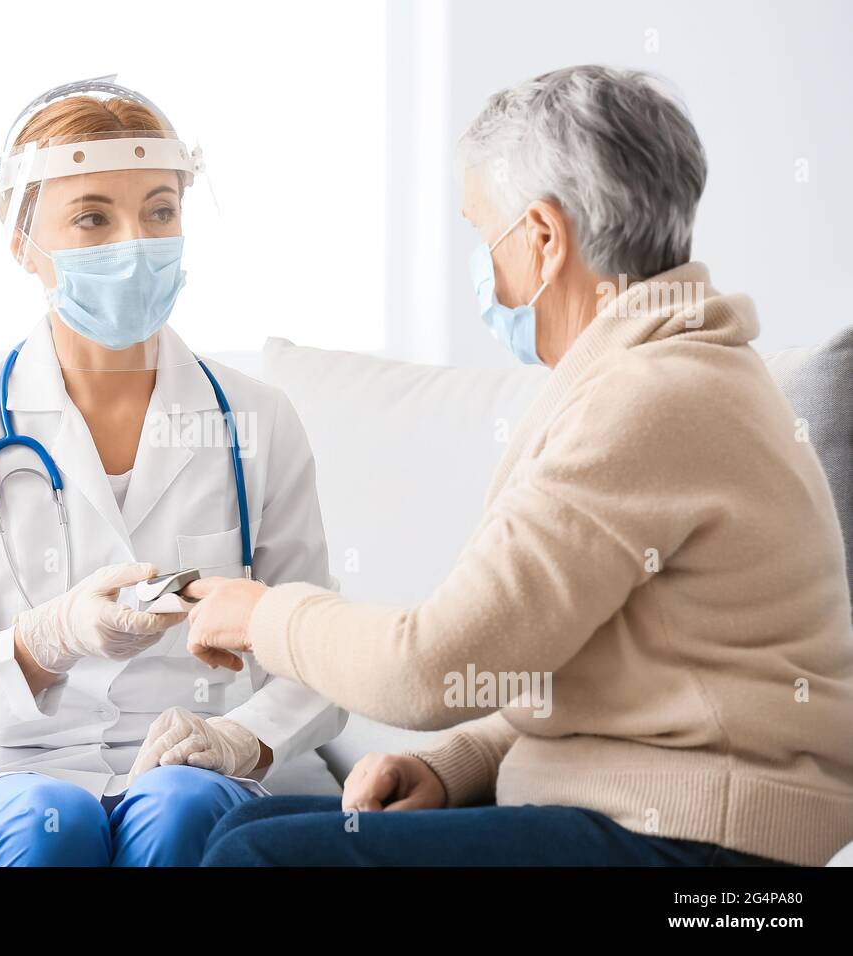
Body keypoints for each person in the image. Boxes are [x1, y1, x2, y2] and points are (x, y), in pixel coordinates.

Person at [186, 65, 853, 867]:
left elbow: (428, 668)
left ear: (543, 238)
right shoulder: (669, 373)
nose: (484, 269)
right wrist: (456, 764)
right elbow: (589, 667)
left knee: (255, 862)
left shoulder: (651, 399)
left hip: (708, 851)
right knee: (240, 835)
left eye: (483, 233)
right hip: (665, 814)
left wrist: (261, 614)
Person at [0, 77, 344, 867]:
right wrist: (47, 638)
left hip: (186, 762)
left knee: (180, 810)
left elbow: (319, 656)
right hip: (1, 774)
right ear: (23, 240)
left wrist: (240, 738)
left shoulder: (256, 421)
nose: (135, 243)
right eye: (93, 217)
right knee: (47, 824)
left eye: (159, 211)